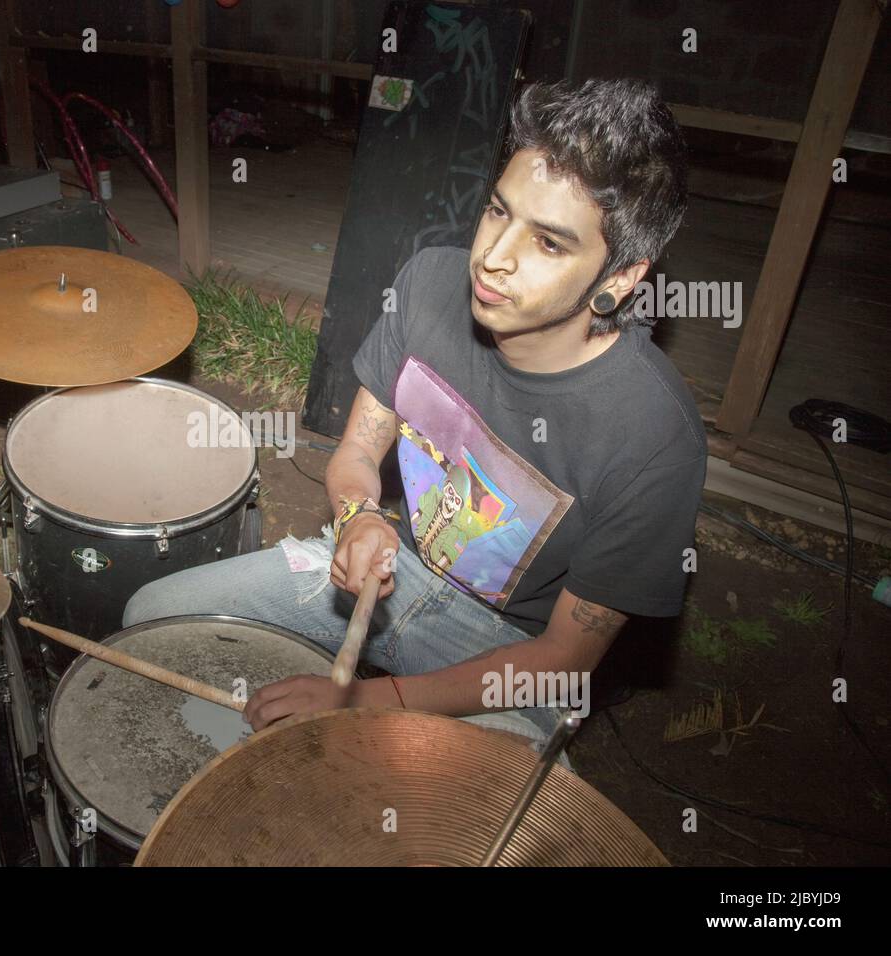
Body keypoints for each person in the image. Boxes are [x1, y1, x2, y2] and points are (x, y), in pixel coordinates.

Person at [124, 78, 707, 759]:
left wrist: (360, 702)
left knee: (472, 813)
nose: (493, 256)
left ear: (619, 279)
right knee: (152, 620)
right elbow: (354, 458)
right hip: (398, 572)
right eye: (498, 211)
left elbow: (566, 658)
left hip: (510, 649)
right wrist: (357, 518)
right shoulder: (430, 283)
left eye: (549, 244)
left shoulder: (653, 436)